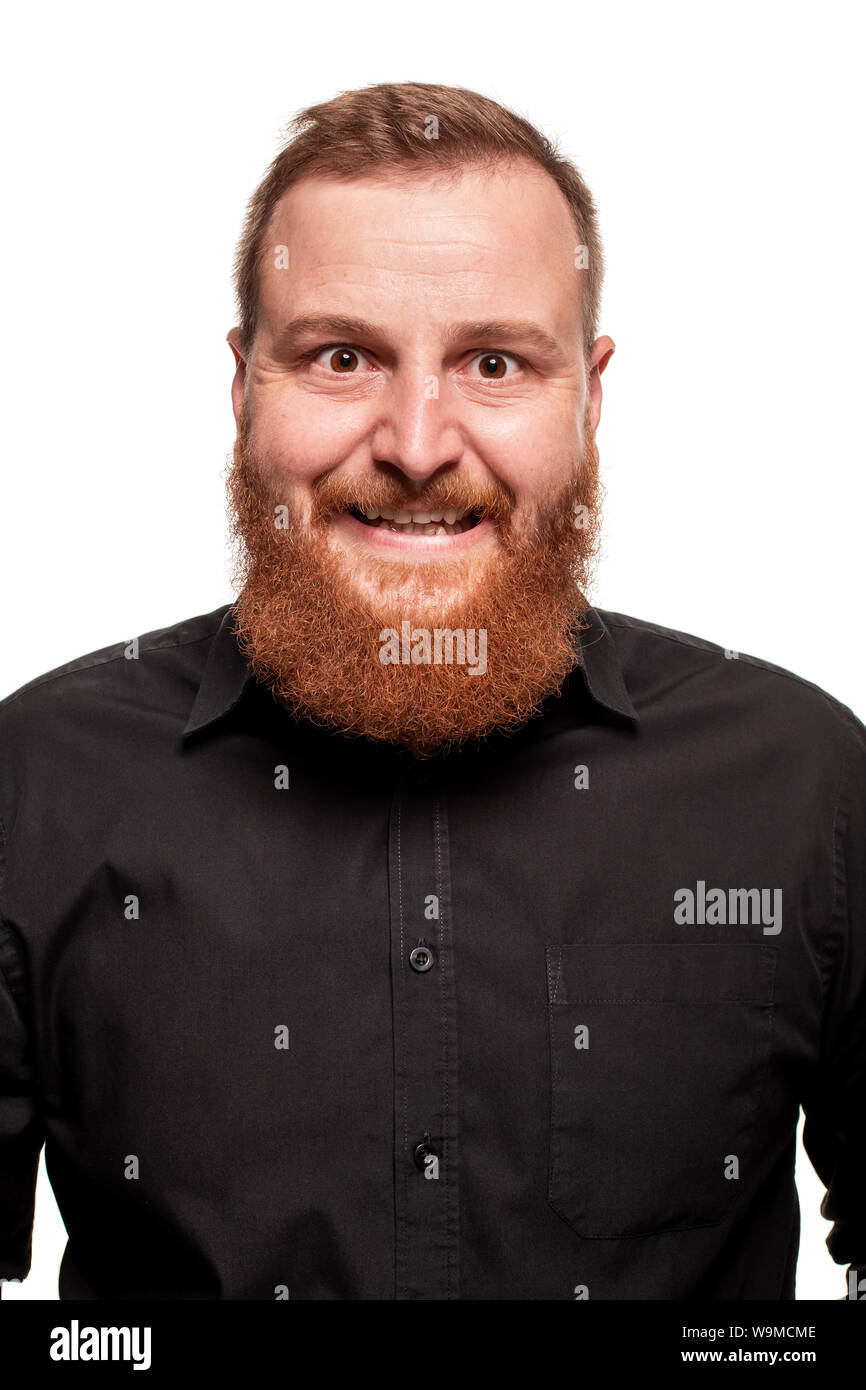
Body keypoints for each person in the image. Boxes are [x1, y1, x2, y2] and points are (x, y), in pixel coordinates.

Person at [0, 80, 863, 1301]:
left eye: (494, 362)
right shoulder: (35, 781)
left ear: (589, 398)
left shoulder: (804, 784)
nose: (415, 443)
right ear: (245, 388)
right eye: (341, 356)